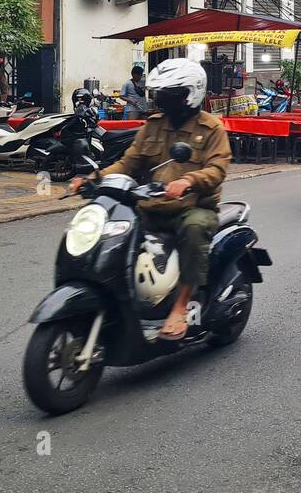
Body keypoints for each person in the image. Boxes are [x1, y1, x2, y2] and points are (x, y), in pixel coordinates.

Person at [70, 58, 231, 340]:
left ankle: (181, 306)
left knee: (194, 230)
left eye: (170, 94)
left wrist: (188, 181)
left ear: (190, 93)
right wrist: (94, 179)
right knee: (114, 232)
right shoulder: (153, 126)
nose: (162, 99)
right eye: (160, 93)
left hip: (193, 207)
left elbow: (217, 168)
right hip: (151, 204)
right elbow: (128, 163)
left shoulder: (211, 128)